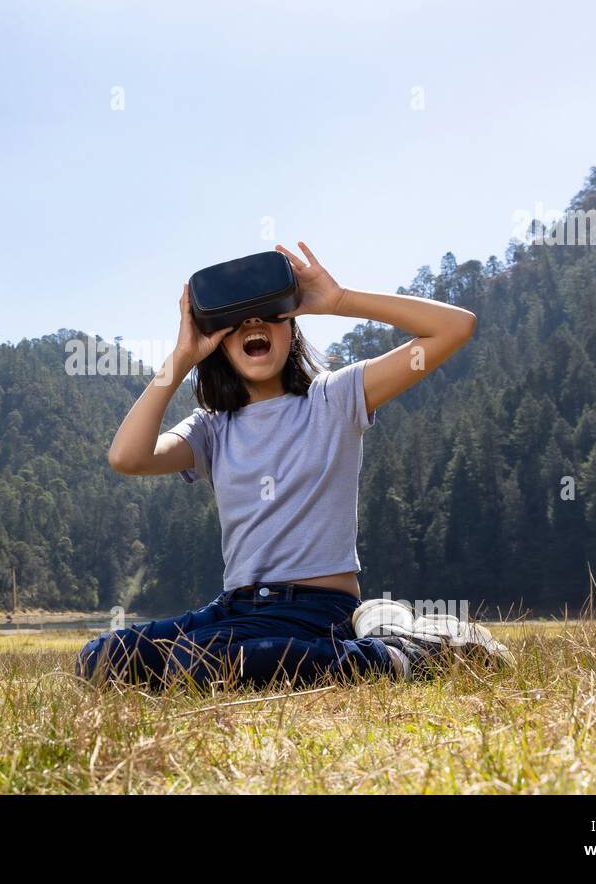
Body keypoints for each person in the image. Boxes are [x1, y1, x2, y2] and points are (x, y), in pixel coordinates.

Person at [77, 242, 511, 690]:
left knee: (200, 666)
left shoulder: (336, 398)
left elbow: (454, 327)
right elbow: (128, 457)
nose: (252, 325)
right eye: (235, 322)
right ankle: (382, 634)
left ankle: (402, 656)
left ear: (292, 328)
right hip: (234, 610)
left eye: (268, 313)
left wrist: (340, 300)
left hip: (316, 609)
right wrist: (183, 356)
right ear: (220, 344)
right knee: (102, 659)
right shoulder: (212, 427)